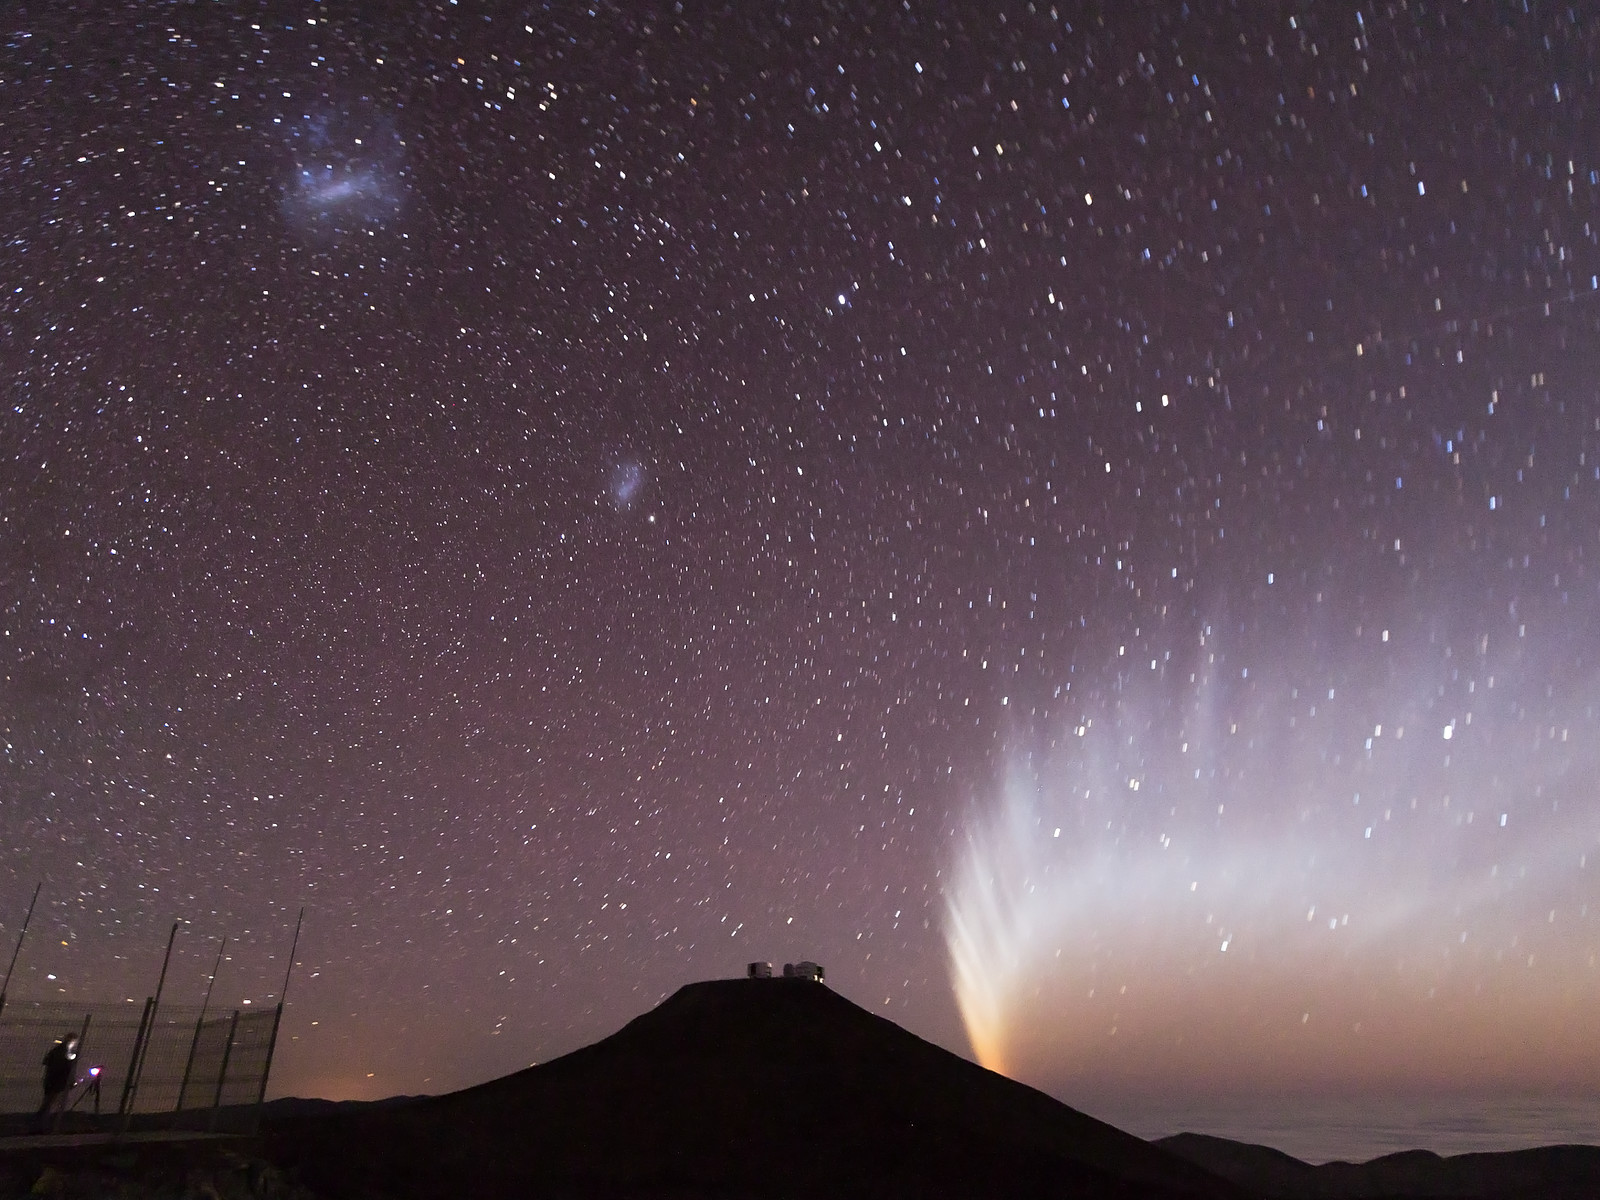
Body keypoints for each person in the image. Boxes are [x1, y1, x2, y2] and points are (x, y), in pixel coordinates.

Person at [38, 1033, 80, 1129]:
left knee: (49, 1102)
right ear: (73, 1041)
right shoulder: (63, 1052)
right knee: (53, 1104)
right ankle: (46, 1125)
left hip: (52, 1081)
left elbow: (46, 1061)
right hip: (58, 1083)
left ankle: (44, 1123)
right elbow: (66, 1068)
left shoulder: (58, 1050)